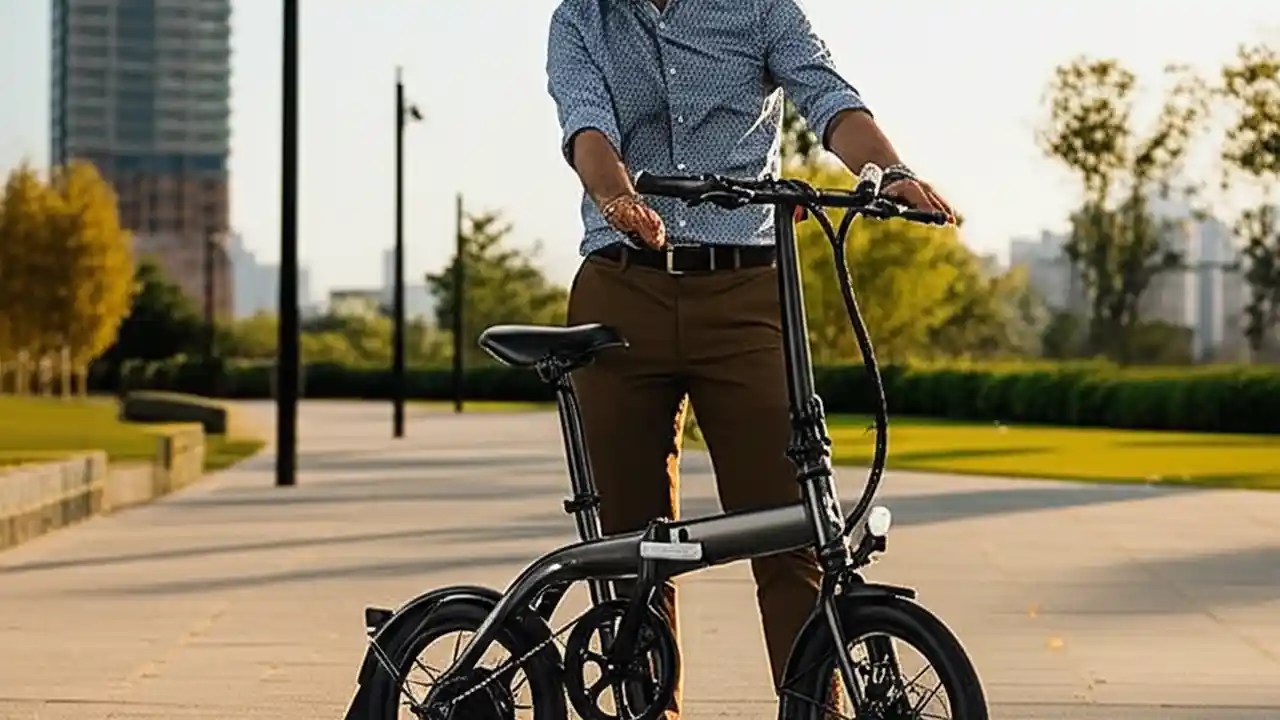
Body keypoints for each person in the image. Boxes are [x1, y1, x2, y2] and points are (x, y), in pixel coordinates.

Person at [545, 0, 956, 715]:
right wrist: (617, 199)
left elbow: (828, 96)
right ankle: (645, 707)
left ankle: (813, 710)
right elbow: (586, 126)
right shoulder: (583, 17)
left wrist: (888, 171)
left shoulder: (759, 7)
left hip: (745, 293)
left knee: (790, 529)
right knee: (632, 549)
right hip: (622, 289)